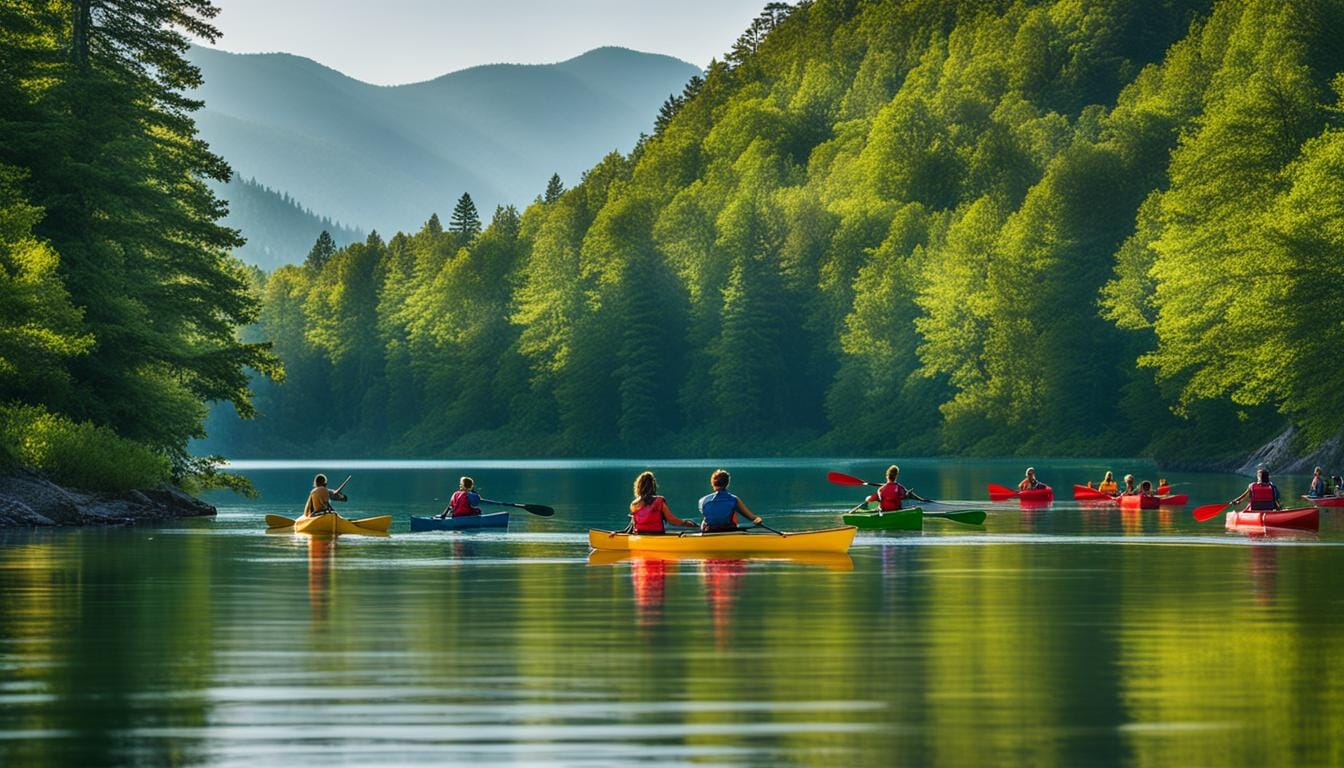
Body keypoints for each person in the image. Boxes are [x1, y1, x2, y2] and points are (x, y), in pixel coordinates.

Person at [628, 471, 696, 534]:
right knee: (693, 525)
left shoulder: (634, 504)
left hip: (640, 535)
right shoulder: (659, 501)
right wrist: (686, 523)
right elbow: (672, 520)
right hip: (657, 534)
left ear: (638, 486)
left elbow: (633, 525)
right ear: (653, 485)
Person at [698, 469, 763, 533]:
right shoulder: (734, 499)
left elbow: (713, 515)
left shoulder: (703, 500)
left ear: (712, 483)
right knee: (733, 512)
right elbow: (752, 517)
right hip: (728, 530)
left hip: (709, 531)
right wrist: (758, 519)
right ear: (727, 484)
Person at [866, 465, 931, 510]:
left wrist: (868, 499)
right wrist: (921, 499)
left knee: (872, 501)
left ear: (887, 476)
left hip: (884, 510)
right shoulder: (900, 487)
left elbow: (872, 499)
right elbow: (904, 496)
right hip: (896, 509)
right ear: (896, 475)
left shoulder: (880, 489)